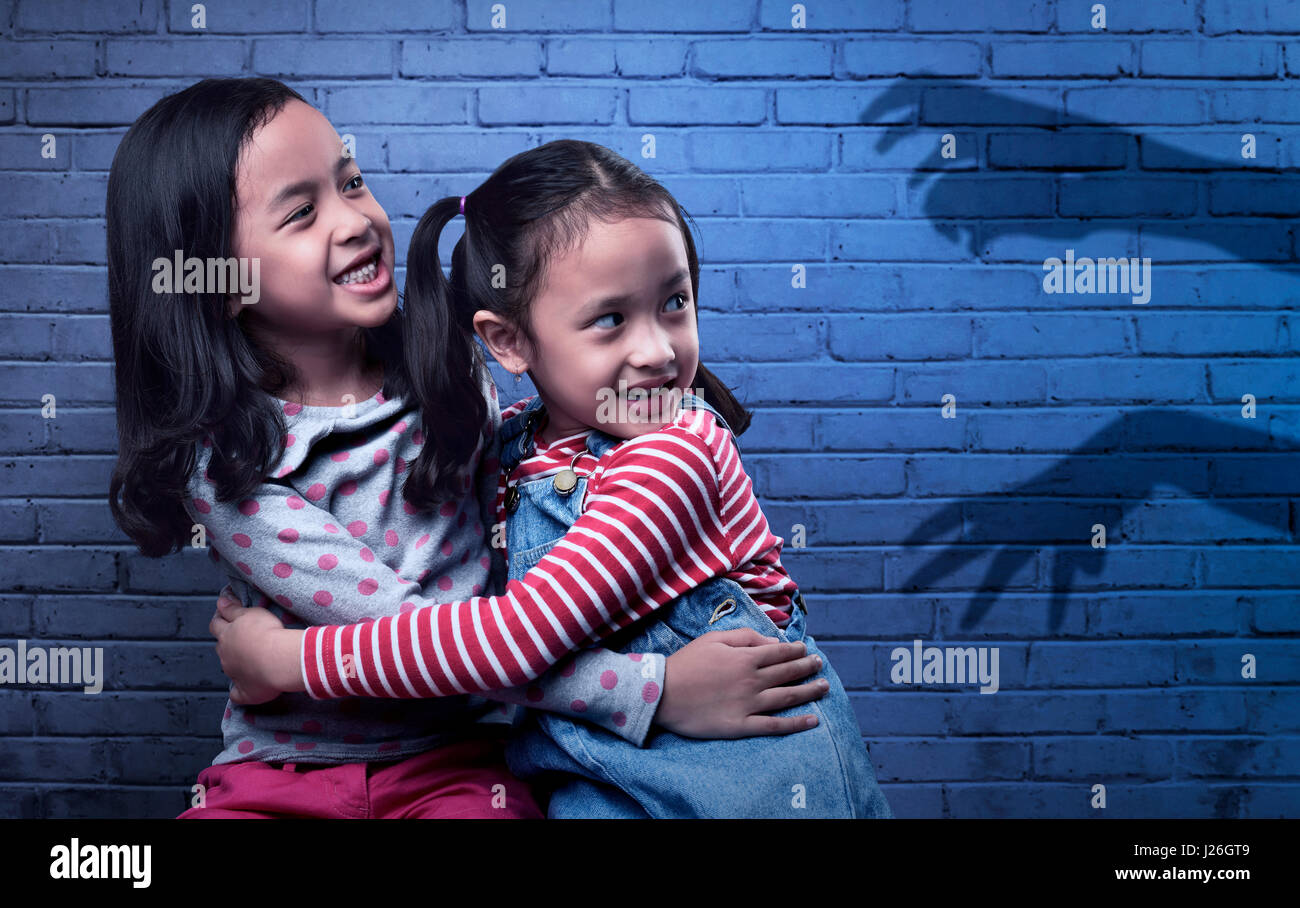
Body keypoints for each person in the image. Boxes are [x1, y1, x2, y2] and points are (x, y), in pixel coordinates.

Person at [107, 79, 826, 819]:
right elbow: (409, 630)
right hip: (285, 770)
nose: (355, 220)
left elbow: (499, 620)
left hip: (457, 763)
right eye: (301, 212)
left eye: (351, 182)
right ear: (218, 281)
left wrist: (277, 660)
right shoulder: (229, 464)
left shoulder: (450, 375)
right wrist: (647, 691)